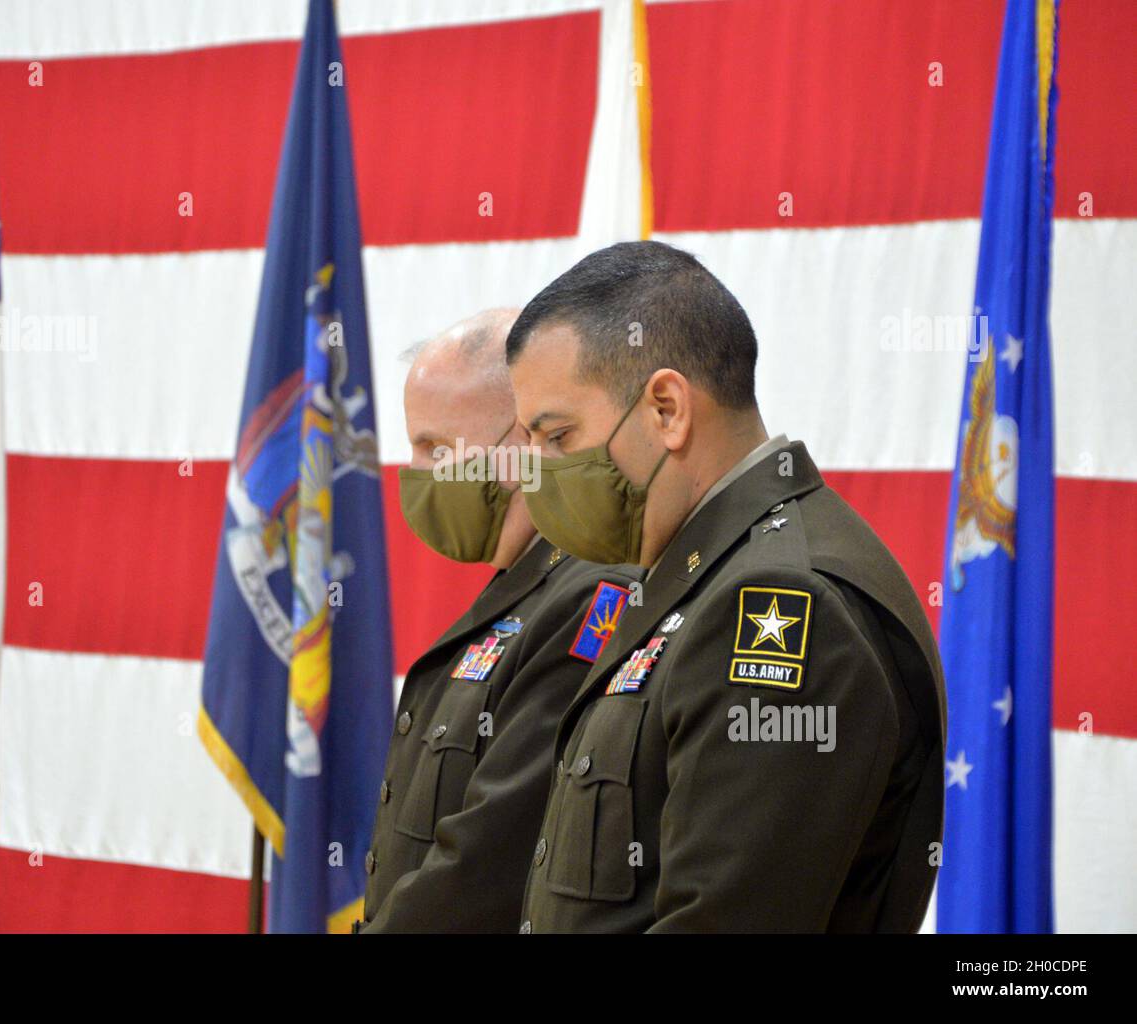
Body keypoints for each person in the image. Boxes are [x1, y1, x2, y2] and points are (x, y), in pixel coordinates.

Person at [505, 241, 946, 933]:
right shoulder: (700, 576)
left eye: (557, 436)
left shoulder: (777, 604)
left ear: (666, 409)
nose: (536, 475)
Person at [357, 309, 641, 932]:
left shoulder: (590, 597)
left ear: (518, 449)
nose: (415, 473)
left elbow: (487, 866)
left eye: (434, 447)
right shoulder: (519, 591)